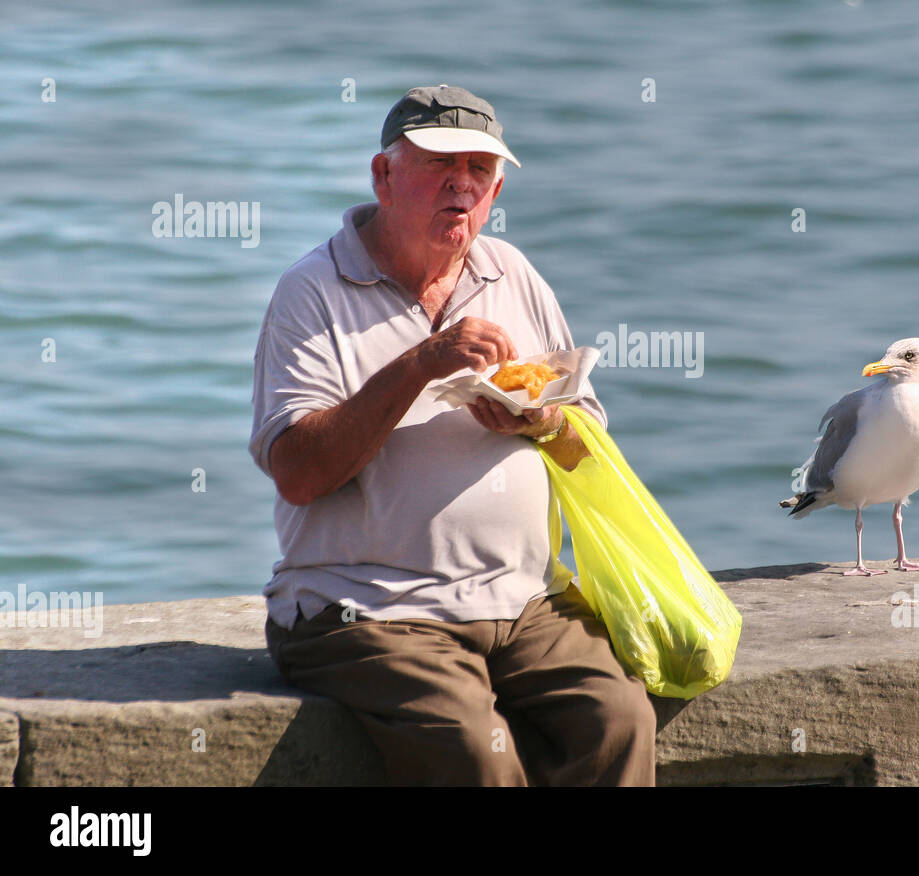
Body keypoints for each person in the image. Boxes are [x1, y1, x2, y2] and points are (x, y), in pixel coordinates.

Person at [248, 84, 657, 785]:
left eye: (480, 171)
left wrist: (547, 420)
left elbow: (587, 445)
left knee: (619, 720)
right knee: (477, 753)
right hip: (365, 608)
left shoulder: (514, 274)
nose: (462, 186)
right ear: (383, 175)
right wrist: (420, 364)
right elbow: (300, 472)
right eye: (442, 165)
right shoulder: (311, 292)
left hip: (520, 597)